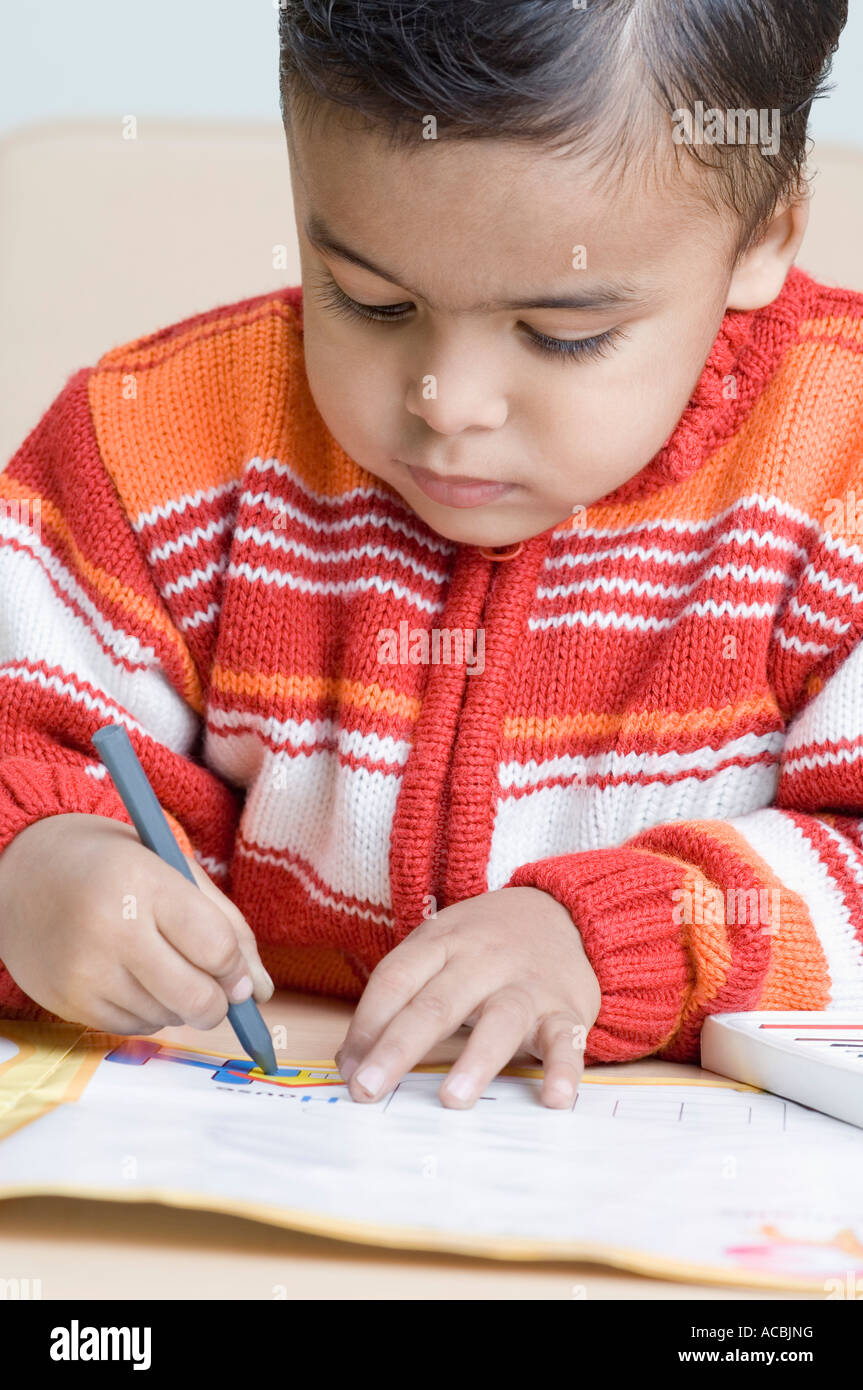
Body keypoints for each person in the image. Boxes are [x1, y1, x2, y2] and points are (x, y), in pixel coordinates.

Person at [0, 1, 858, 1111]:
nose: (445, 404)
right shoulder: (153, 444)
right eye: (368, 300)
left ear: (762, 239)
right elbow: (30, 735)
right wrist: (36, 868)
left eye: (561, 335)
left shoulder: (836, 471)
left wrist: (612, 936)